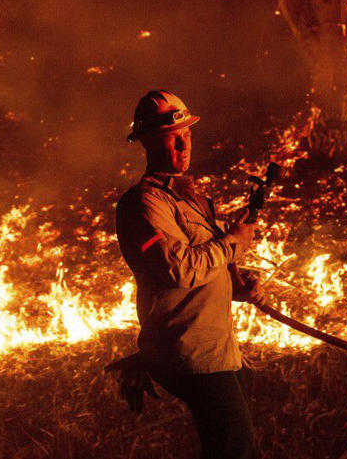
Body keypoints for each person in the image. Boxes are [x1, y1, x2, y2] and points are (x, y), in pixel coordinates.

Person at [113, 90, 264, 458]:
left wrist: (236, 286)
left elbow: (197, 273)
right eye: (171, 137)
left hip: (218, 350)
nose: (183, 144)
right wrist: (231, 242)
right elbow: (179, 269)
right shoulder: (145, 203)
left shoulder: (187, 198)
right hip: (193, 355)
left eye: (187, 134)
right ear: (148, 142)